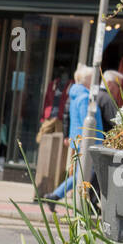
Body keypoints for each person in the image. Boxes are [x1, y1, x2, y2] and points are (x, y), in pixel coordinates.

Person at [46, 64, 102, 203]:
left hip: (80, 139)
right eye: (93, 79)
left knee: (82, 172)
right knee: (84, 173)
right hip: (88, 141)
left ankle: (57, 196)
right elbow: (87, 122)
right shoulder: (84, 97)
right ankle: (56, 195)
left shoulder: (76, 95)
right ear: (87, 80)